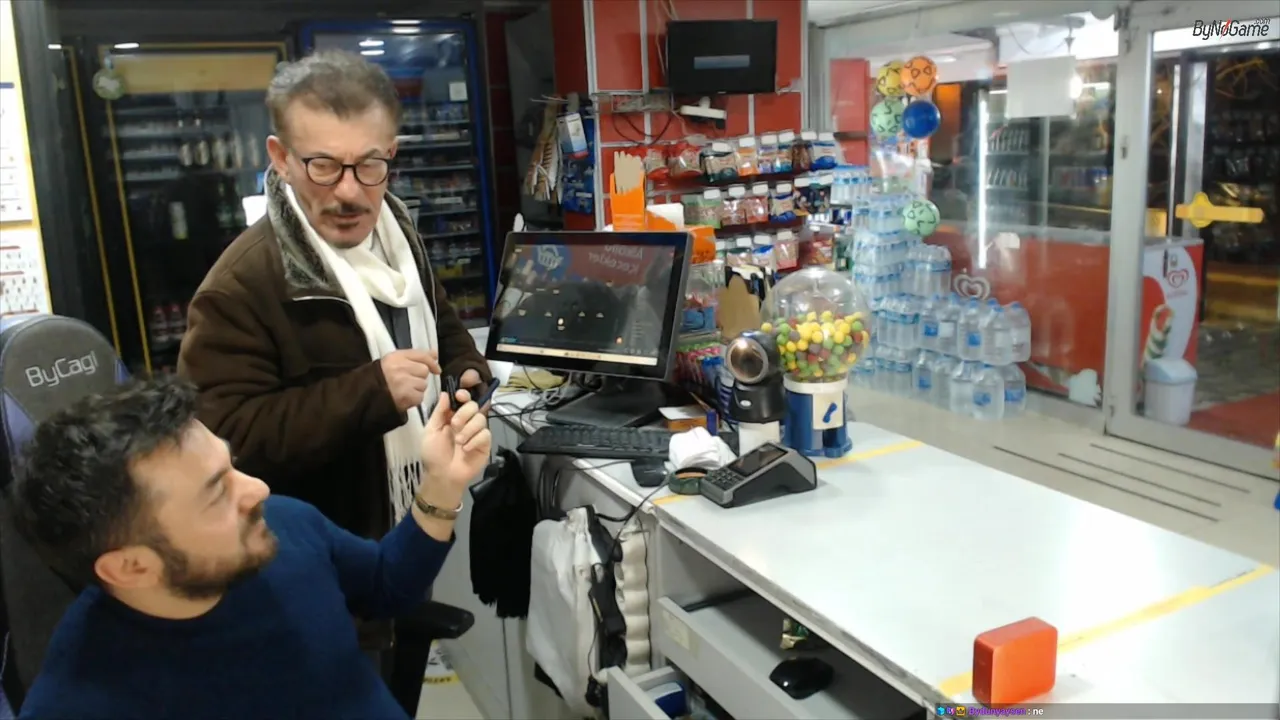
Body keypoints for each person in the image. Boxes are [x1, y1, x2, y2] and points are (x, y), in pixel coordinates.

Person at [176, 50, 491, 709]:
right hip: (313, 584)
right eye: (323, 165)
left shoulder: (396, 232)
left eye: (369, 164)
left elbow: (443, 325)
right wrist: (369, 393)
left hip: (406, 534)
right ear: (281, 158)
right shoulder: (242, 286)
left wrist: (467, 379)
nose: (349, 192)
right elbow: (223, 442)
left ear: (391, 154)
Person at [11, 376, 490, 719]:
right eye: (216, 492)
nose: (258, 489)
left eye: (231, 465)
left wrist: (443, 482)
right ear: (131, 568)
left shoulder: (283, 524)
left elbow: (388, 584)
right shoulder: (79, 700)